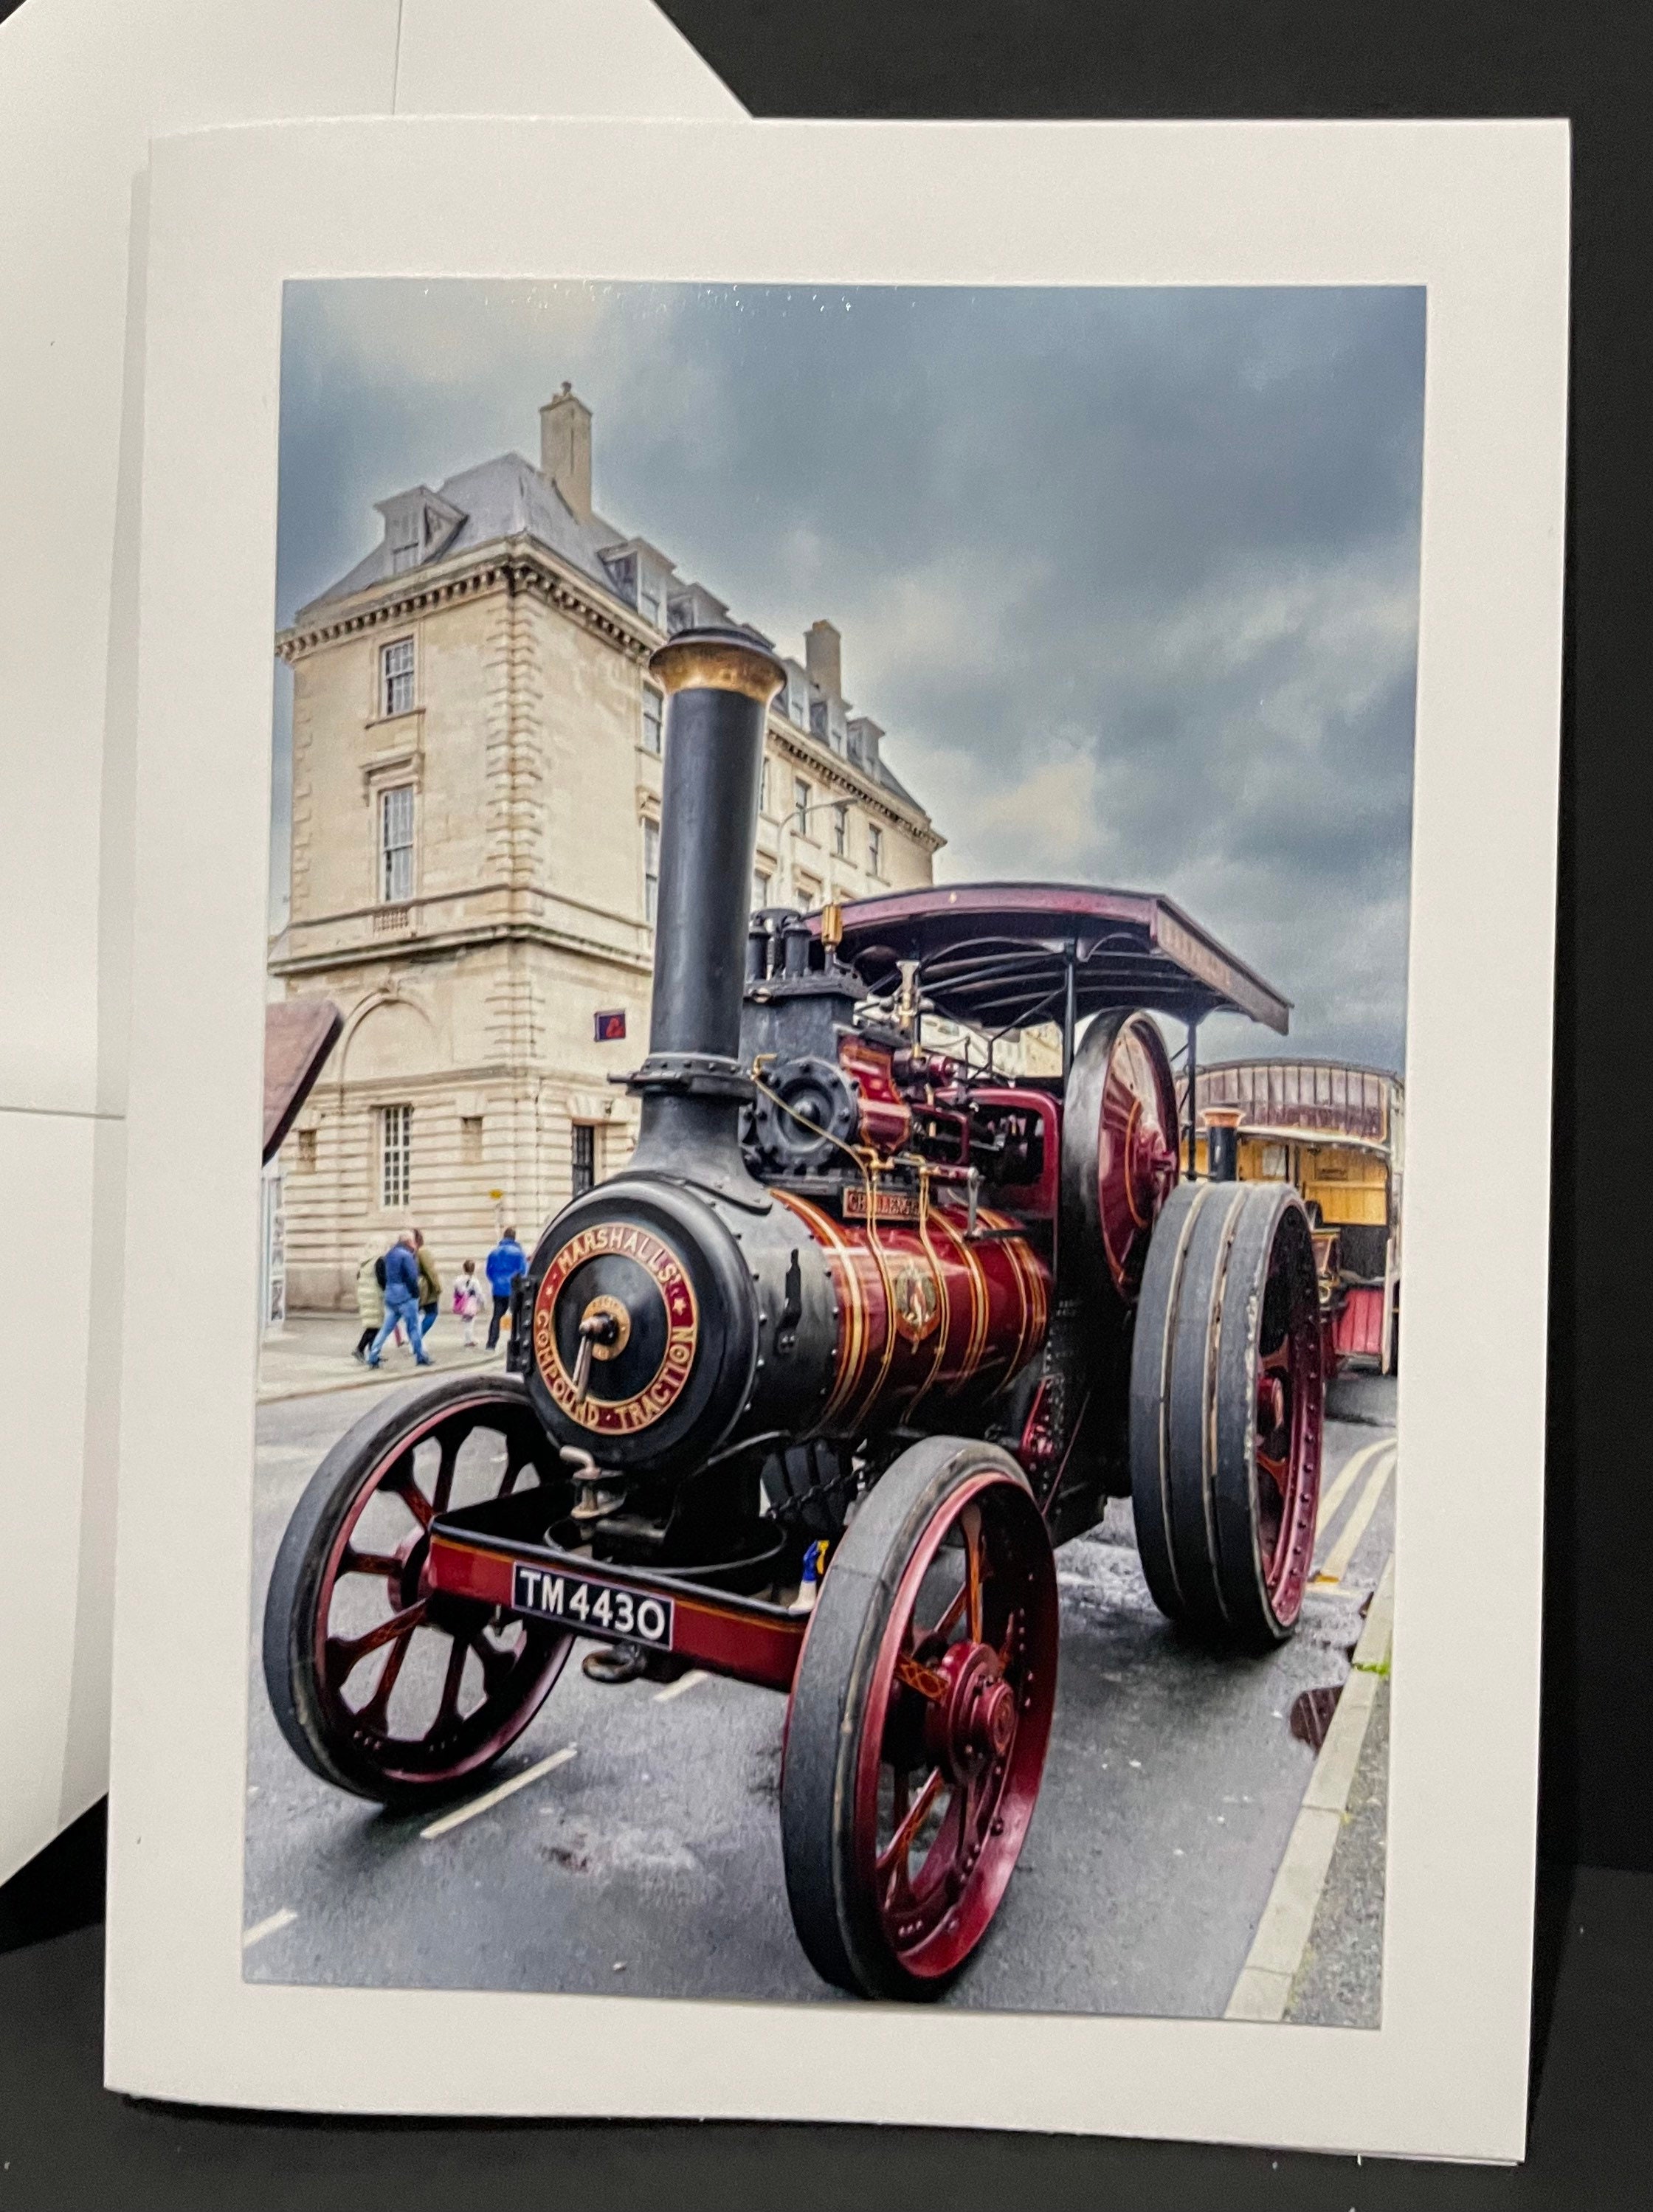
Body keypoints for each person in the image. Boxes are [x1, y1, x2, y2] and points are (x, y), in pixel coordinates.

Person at [366, 1231, 431, 1369]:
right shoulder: (406, 1256)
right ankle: (421, 1356)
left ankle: (373, 1356)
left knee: (385, 1329)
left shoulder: (390, 1254)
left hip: (391, 1296)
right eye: (413, 1241)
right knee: (413, 1328)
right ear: (408, 1242)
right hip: (406, 1297)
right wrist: (415, 1294)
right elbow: (412, 1277)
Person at [485, 1225, 527, 1352]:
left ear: (504, 1237)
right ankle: (517, 1344)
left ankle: (491, 1344)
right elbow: (523, 1271)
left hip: (498, 1289)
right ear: (514, 1238)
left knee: (496, 1317)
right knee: (518, 1317)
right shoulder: (519, 1253)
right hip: (514, 1289)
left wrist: (496, 1282)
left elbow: (489, 1271)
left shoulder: (494, 1253)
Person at [352, 1248, 384, 1361]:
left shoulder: (365, 1263)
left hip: (365, 1297)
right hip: (375, 1297)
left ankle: (373, 1353)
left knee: (373, 1326)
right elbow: (382, 1281)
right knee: (374, 1327)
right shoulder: (378, 1261)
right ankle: (361, 1349)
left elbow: (358, 1277)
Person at [413, 1228, 441, 1344]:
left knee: (417, 1314)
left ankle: (415, 1338)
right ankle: (417, 1338)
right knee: (432, 1313)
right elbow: (431, 1271)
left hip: (414, 1287)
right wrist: (438, 1287)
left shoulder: (411, 1252)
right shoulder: (423, 1251)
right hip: (426, 1288)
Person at [453, 1259, 486, 1349]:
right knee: (470, 1322)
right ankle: (469, 1340)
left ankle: (468, 1339)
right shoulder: (474, 1281)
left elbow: (456, 1289)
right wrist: (482, 1303)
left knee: (466, 1321)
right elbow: (479, 1293)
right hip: (471, 1302)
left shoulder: (458, 1279)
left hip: (462, 1302)